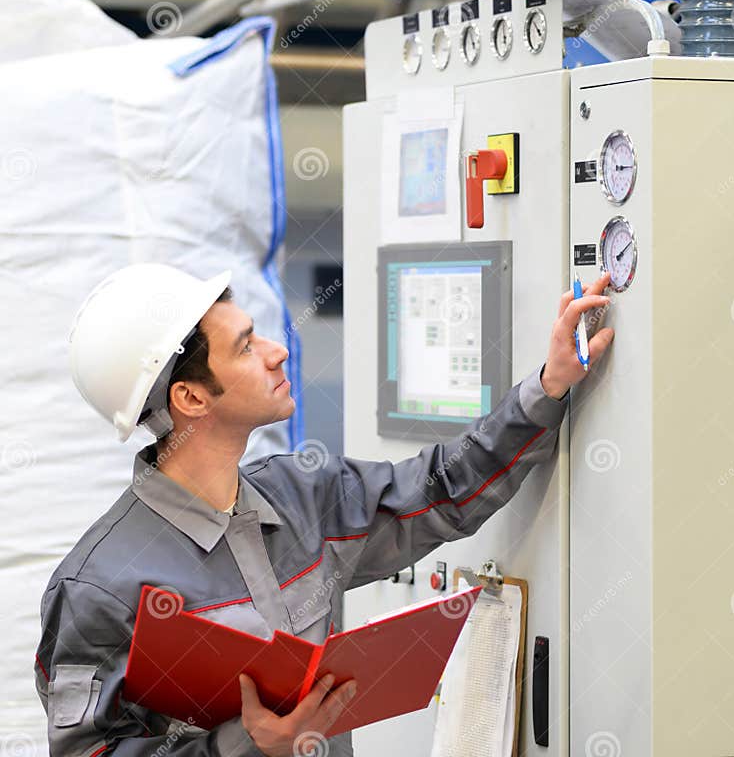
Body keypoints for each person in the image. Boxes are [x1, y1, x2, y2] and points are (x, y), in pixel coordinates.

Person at [35, 263, 614, 757]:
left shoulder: (303, 493)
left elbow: (443, 491)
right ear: (191, 398)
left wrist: (549, 383)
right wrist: (244, 744)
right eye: (245, 347)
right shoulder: (99, 586)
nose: (277, 350)